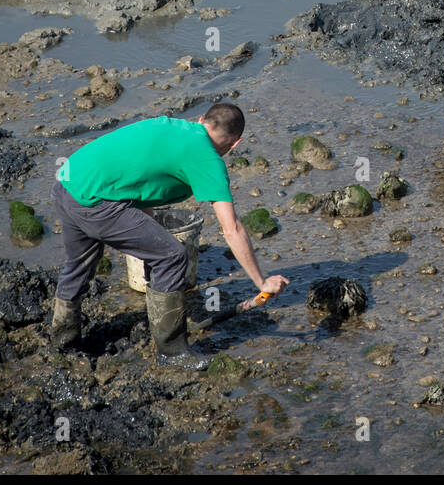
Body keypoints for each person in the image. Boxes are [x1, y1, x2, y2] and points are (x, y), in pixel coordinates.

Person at [49, 102, 290, 368]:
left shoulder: (169, 125)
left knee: (79, 264)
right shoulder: (207, 157)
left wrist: (150, 237)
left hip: (67, 183)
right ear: (234, 143)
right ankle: (172, 353)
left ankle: (64, 339)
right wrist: (261, 282)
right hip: (94, 203)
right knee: (173, 256)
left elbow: (139, 181)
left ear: (201, 120)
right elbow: (232, 228)